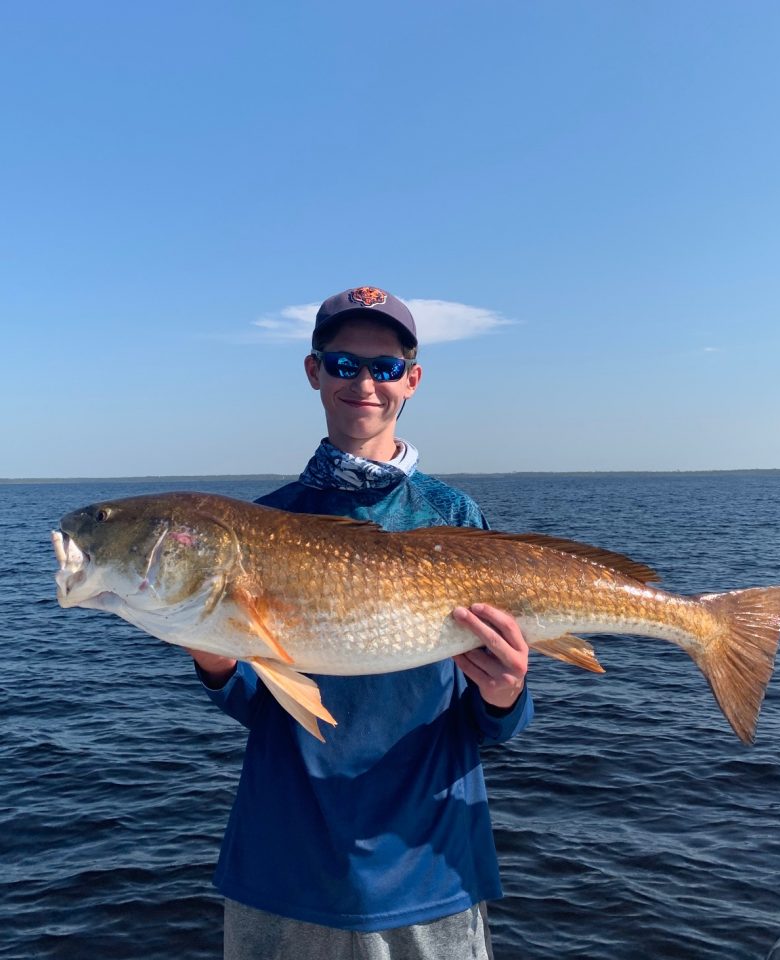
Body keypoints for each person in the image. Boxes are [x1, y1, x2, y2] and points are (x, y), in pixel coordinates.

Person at [188, 285, 533, 960]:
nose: (365, 383)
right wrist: (217, 663)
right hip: (284, 865)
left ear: (413, 379)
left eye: (384, 366)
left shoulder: (455, 517)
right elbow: (269, 706)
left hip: (429, 862)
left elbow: (492, 720)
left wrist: (506, 695)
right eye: (344, 365)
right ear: (314, 372)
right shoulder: (262, 525)